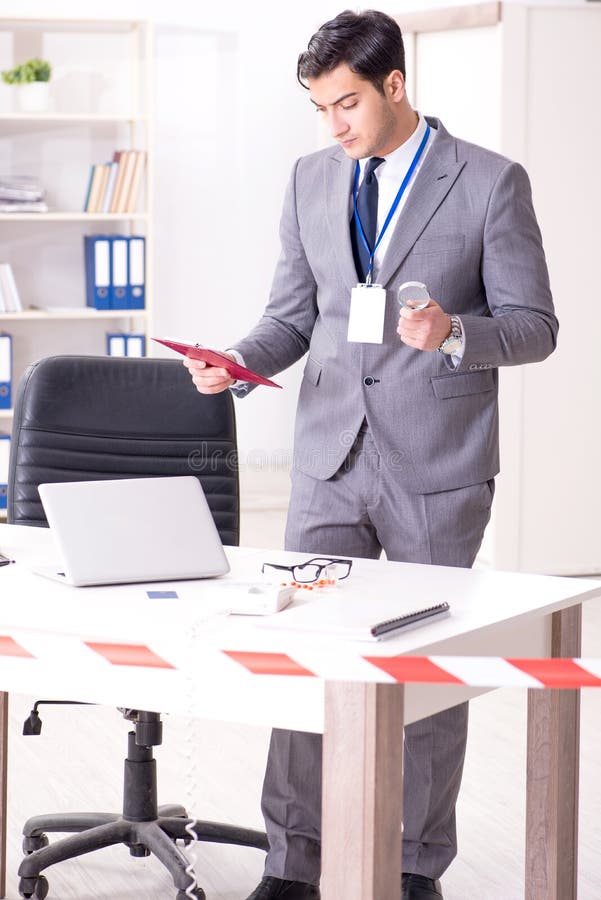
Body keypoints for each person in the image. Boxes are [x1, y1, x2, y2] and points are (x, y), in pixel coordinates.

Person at [184, 9, 558, 900]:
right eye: (320, 108)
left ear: (395, 83)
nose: (335, 125)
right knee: (303, 656)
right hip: (326, 461)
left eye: (346, 103)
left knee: (425, 669)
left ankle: (412, 862)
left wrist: (453, 333)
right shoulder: (311, 178)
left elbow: (535, 327)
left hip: (437, 460)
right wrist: (235, 366)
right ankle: (293, 860)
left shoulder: (489, 182)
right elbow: (291, 316)